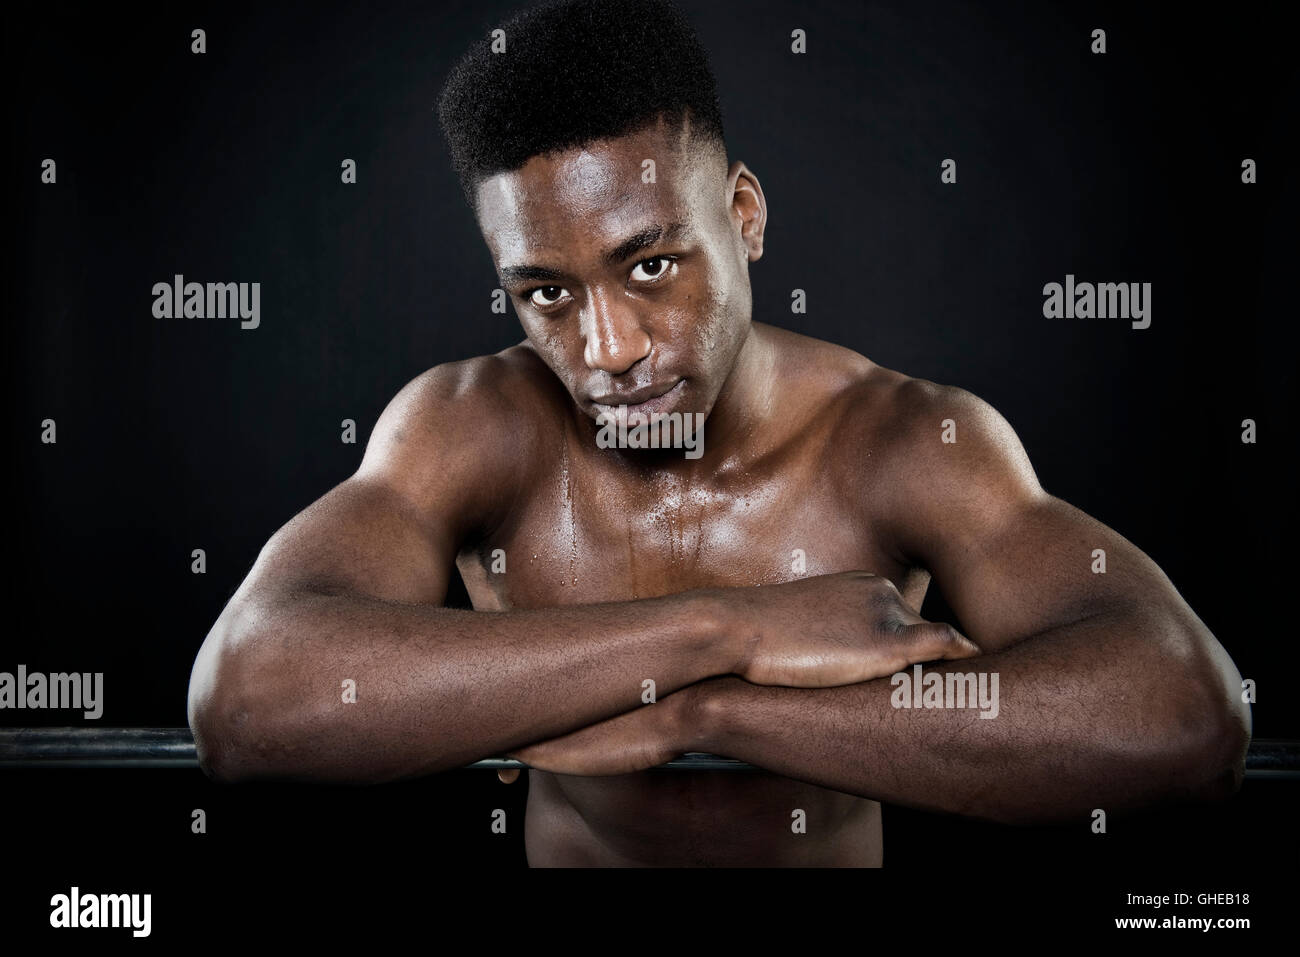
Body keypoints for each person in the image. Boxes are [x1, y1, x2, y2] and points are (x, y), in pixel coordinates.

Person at [186, 0, 1249, 866]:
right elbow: (247, 701)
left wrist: (707, 718)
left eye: (651, 266)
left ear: (742, 217)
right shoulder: (471, 426)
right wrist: (722, 633)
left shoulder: (903, 438)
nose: (607, 347)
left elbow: (1181, 719)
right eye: (546, 293)